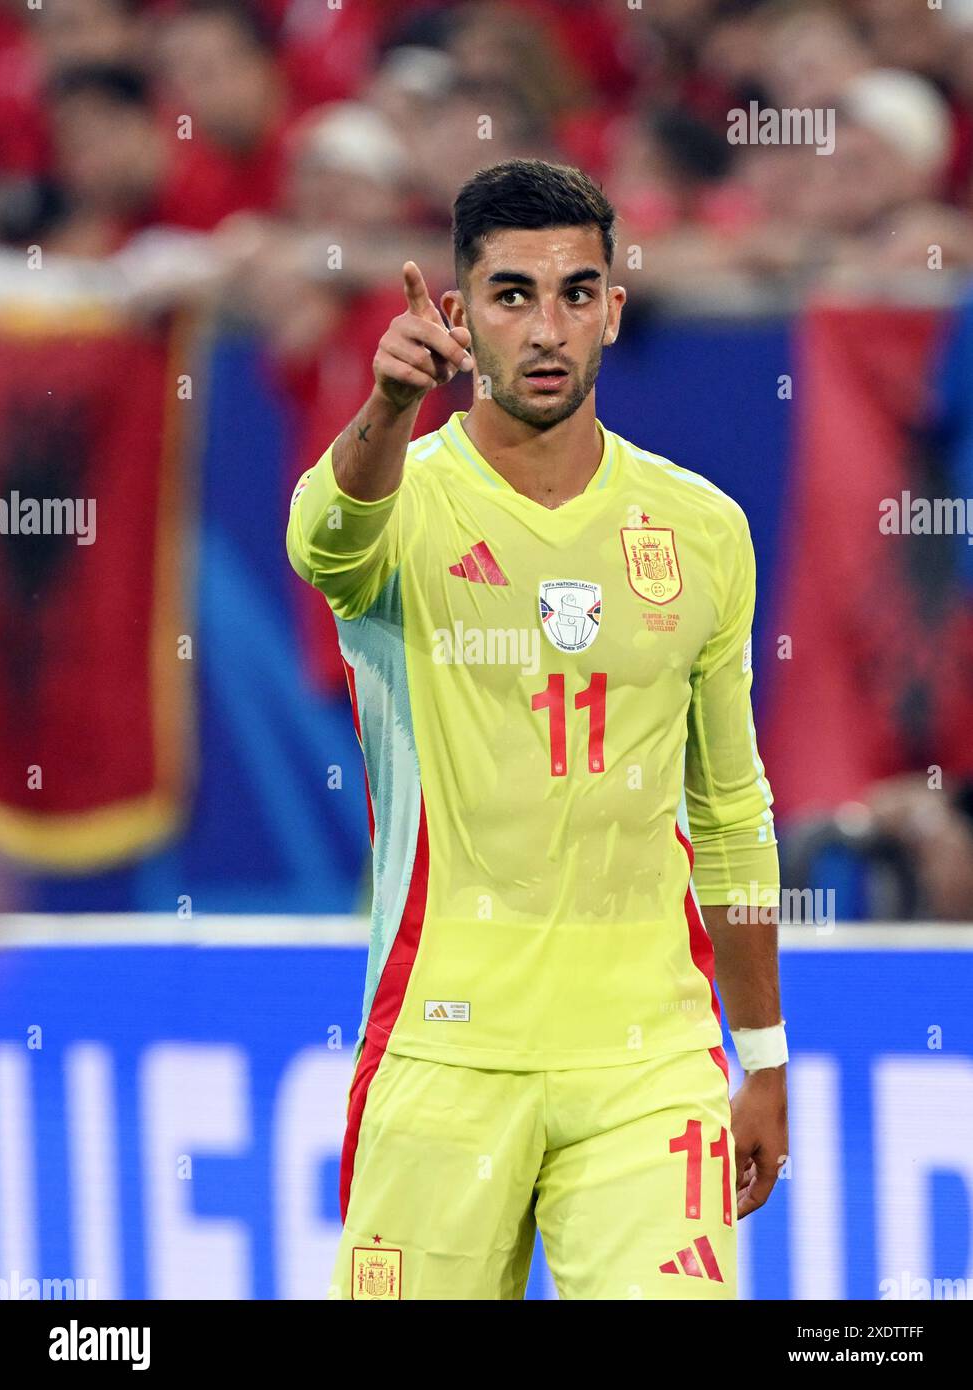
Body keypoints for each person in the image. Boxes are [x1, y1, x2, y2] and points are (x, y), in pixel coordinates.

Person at [286, 158, 788, 1301]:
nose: (547, 326)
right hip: (442, 1051)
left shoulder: (701, 528)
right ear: (458, 317)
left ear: (614, 305)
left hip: (647, 1064)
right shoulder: (399, 499)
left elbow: (729, 809)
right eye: (511, 295)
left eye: (576, 291)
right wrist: (383, 406)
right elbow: (320, 540)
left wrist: (759, 1053)